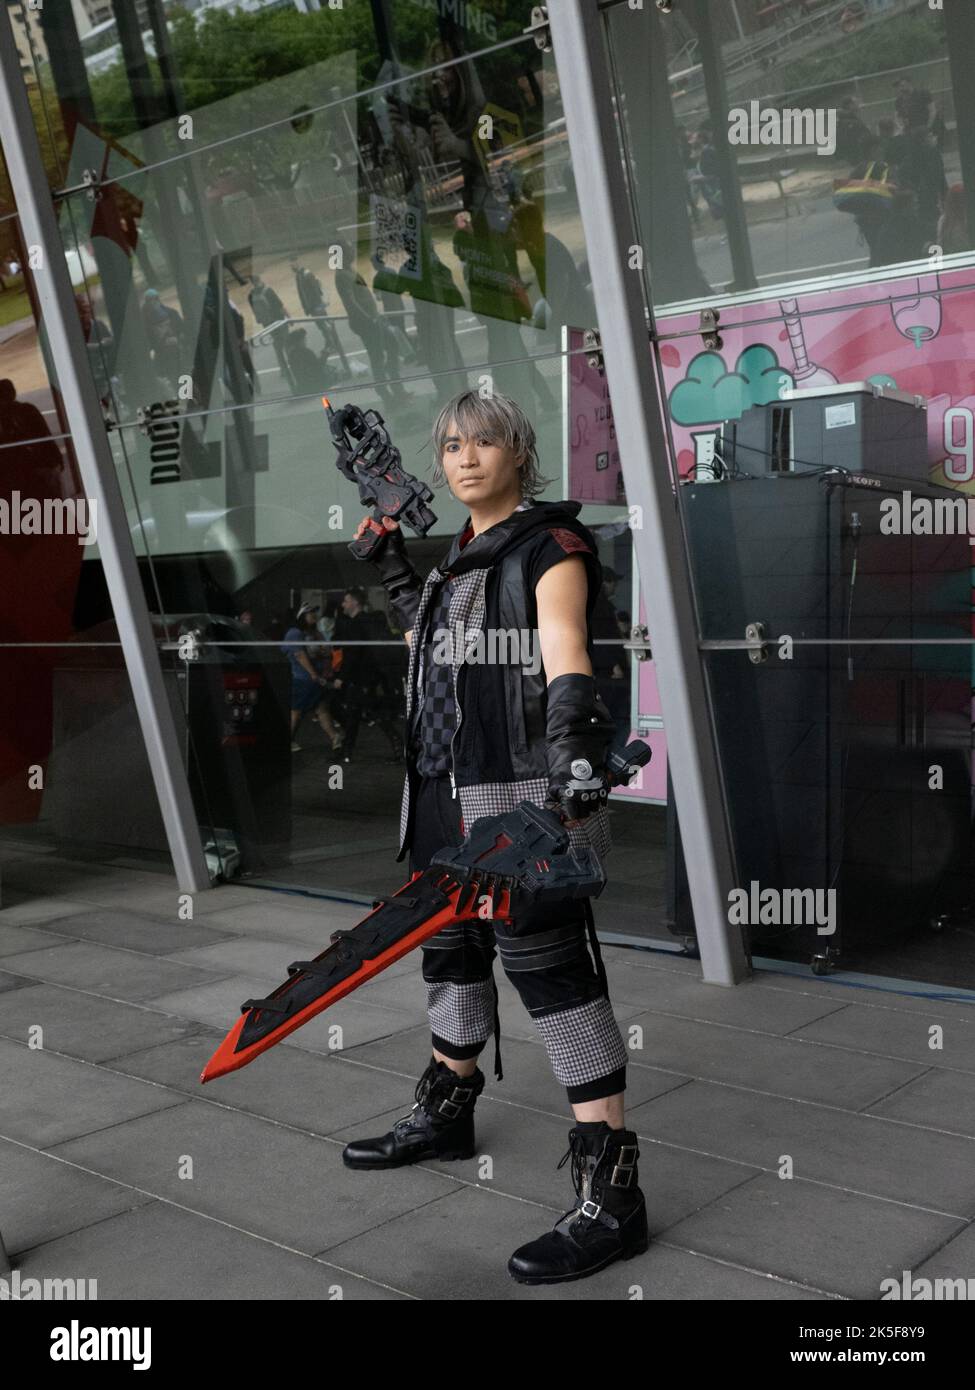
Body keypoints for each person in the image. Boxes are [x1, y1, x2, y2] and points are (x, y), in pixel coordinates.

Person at [340, 389, 648, 1284]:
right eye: (450, 445)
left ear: (519, 452)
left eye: (483, 442)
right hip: (441, 789)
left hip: (516, 795)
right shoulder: (459, 558)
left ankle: (613, 1196)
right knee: (451, 952)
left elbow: (565, 654)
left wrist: (575, 761)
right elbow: (431, 651)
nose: (465, 458)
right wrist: (397, 566)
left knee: (551, 972)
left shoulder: (550, 546)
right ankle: (447, 1109)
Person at [329, 586, 401, 762]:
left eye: (346, 601)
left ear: (354, 602)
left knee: (368, 714)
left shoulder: (355, 625)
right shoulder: (369, 622)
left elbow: (352, 654)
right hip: (370, 676)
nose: (343, 604)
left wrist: (341, 677)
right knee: (358, 714)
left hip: (360, 677)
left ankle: (398, 747)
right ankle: (347, 752)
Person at [280, 602, 342, 753]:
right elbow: (299, 655)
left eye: (315, 612)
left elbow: (326, 651)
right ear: (302, 616)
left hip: (312, 678)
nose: (314, 616)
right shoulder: (295, 633)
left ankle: (335, 738)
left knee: (319, 709)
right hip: (302, 678)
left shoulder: (314, 633)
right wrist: (313, 674)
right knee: (297, 711)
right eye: (310, 613)